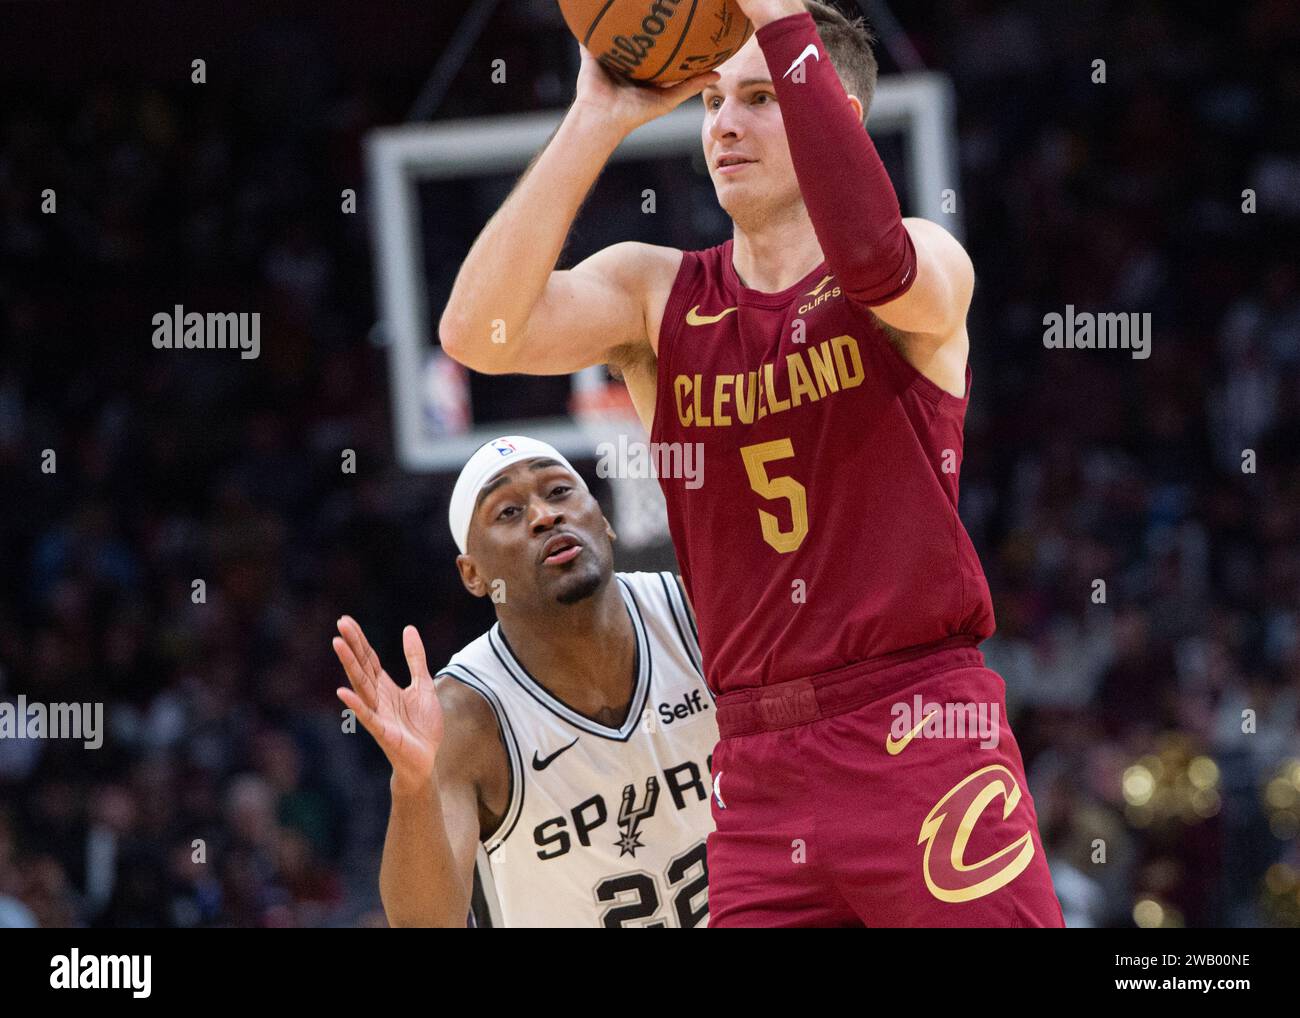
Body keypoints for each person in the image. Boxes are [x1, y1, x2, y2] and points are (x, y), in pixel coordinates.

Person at [437, 0, 1066, 927]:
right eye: (711, 102)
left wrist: (777, 12)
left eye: (762, 97)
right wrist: (595, 118)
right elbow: (478, 334)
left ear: (834, 115)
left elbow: (877, 263)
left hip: (920, 721)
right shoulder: (657, 295)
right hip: (757, 764)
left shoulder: (923, 265)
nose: (724, 125)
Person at [332, 436, 716, 927]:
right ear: (473, 575)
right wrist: (413, 785)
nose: (544, 516)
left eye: (558, 492)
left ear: (603, 519)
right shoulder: (466, 717)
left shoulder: (701, 617)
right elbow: (425, 925)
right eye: (508, 512)